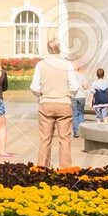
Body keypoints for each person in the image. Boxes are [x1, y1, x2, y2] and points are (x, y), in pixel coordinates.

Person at [30, 38, 80, 169]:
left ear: (48, 49)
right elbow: (75, 87)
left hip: (46, 103)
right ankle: (65, 169)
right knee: (64, 139)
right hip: (64, 103)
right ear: (60, 48)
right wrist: (69, 95)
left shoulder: (41, 64)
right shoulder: (67, 64)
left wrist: (41, 95)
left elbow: (34, 87)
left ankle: (42, 167)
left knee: (45, 138)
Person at [70, 64, 91, 139]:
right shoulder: (82, 75)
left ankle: (76, 132)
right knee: (81, 113)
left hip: (74, 96)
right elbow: (85, 87)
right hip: (82, 96)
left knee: (75, 114)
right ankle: (82, 132)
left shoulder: (70, 76)